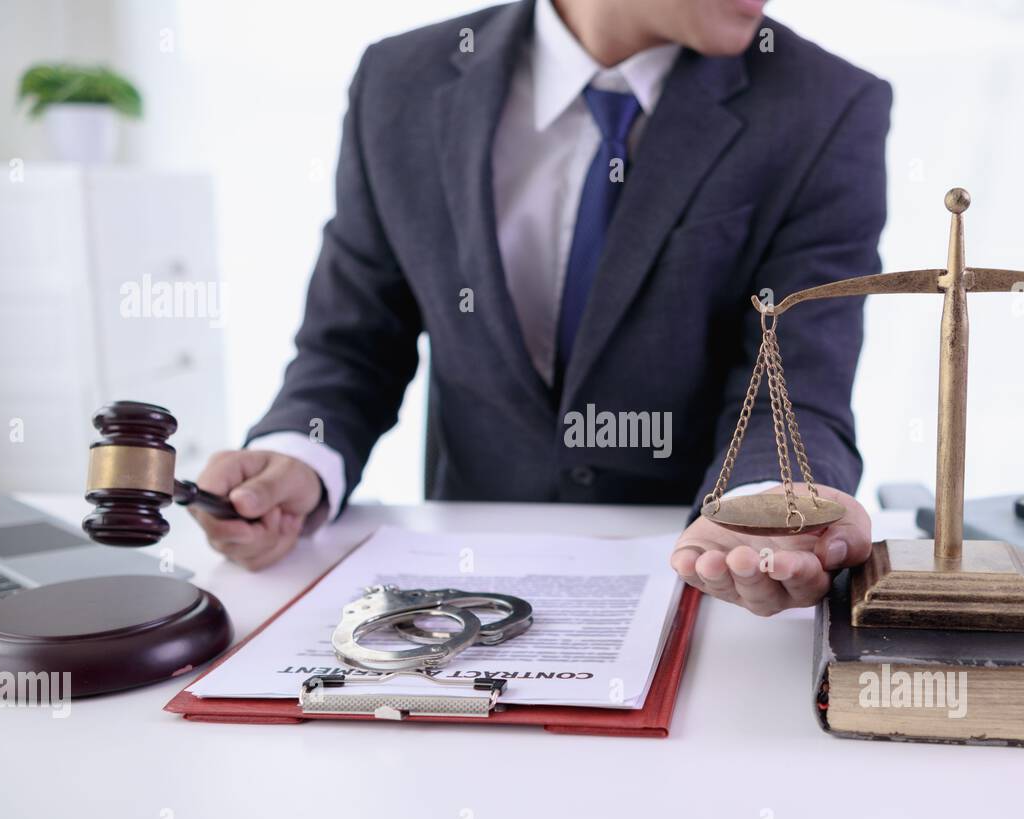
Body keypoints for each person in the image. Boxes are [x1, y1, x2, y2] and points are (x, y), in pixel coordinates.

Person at [192, 0, 891, 617]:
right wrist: (296, 459)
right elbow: (353, 343)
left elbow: (793, 380)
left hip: (696, 592)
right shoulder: (400, 80)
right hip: (459, 587)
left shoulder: (825, 106)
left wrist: (767, 513)